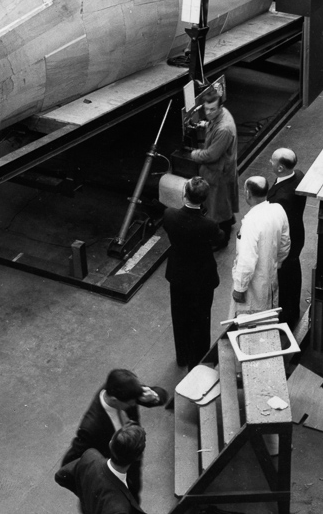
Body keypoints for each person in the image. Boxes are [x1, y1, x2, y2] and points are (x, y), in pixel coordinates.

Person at [60, 370, 168, 498]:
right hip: (113, 478)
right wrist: (91, 492)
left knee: (133, 497)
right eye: (130, 403)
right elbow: (66, 468)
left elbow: (162, 395)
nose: (135, 403)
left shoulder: (124, 389)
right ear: (114, 400)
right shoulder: (91, 427)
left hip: (131, 466)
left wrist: (154, 396)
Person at [162, 177, 222, 369]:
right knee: (201, 320)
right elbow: (219, 238)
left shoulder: (169, 215)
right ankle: (199, 361)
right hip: (202, 278)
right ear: (203, 200)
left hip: (178, 275)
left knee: (179, 317)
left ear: (184, 194)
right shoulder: (209, 225)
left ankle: (183, 356)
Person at [230, 177, 290, 317]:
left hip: (252, 286)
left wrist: (240, 288)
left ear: (247, 193)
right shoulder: (278, 209)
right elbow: (285, 242)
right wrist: (276, 263)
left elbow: (247, 259)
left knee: (249, 323)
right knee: (268, 316)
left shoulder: (251, 222)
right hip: (271, 277)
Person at [56, 425, 147, 514]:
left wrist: (85, 496)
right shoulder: (120, 508)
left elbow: (61, 476)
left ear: (111, 444)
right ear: (138, 457)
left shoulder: (90, 457)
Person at [190, 86, 238, 239]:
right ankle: (229, 220)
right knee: (223, 204)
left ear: (220, 107)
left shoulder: (223, 129)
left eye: (212, 109)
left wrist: (195, 154)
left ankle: (222, 239)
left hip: (218, 173)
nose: (209, 113)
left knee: (217, 209)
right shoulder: (221, 115)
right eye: (206, 109)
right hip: (223, 170)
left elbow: (211, 155)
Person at [267, 148, 306, 330]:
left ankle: (286, 318)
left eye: (273, 161)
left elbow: (278, 226)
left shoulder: (282, 199)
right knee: (293, 275)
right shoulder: (297, 175)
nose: (269, 161)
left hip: (288, 242)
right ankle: (293, 311)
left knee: (285, 280)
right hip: (298, 234)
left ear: (281, 168)